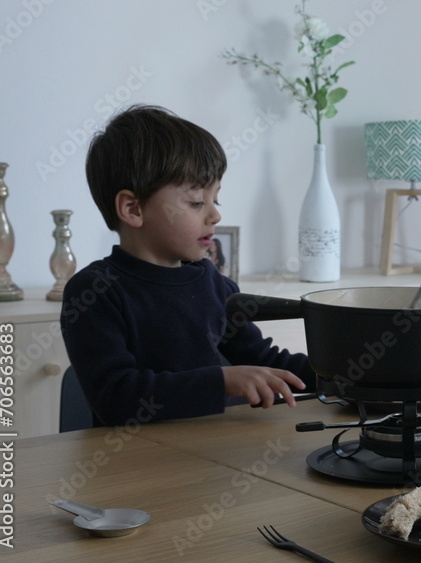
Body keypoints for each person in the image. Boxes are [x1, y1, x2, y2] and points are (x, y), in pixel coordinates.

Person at [61, 105, 314, 425]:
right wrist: (222, 380)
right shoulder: (95, 292)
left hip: (213, 452)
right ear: (132, 208)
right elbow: (115, 396)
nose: (215, 215)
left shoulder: (214, 284)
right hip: (136, 464)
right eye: (196, 202)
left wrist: (352, 374)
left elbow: (265, 361)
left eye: (215, 199)